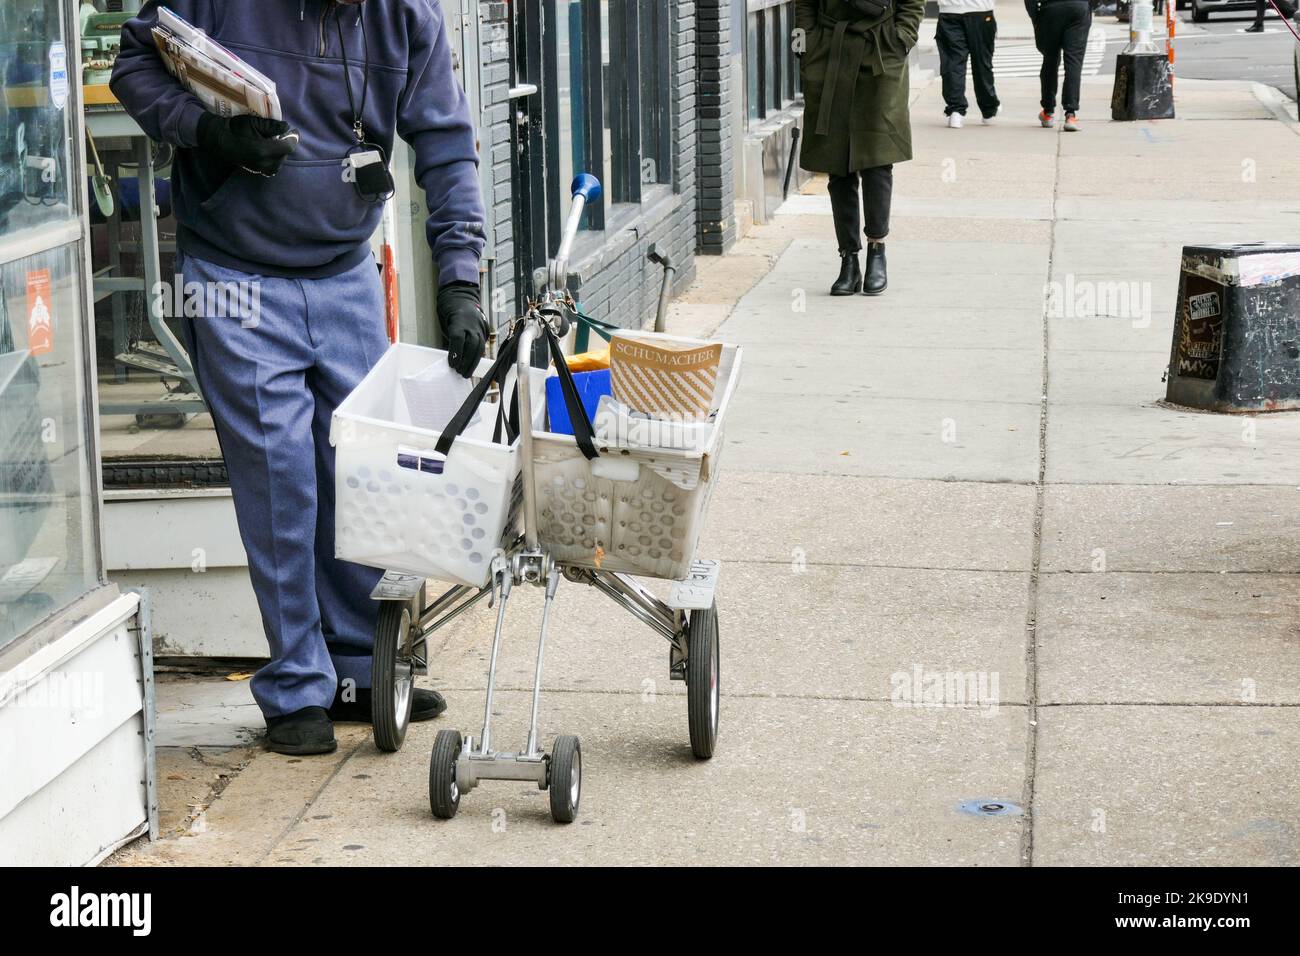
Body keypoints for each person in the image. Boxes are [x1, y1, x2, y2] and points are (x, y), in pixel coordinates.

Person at [111, 0, 489, 756]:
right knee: (280, 477)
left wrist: (460, 281)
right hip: (233, 273)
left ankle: (358, 669)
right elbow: (134, 65)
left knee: (361, 473)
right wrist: (206, 130)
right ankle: (294, 687)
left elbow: (447, 147)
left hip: (346, 269)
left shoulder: (407, 18)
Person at [796, 0, 925, 297]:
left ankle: (877, 250)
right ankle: (848, 259)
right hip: (829, 54)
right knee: (836, 161)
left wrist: (903, 37)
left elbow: (914, 3)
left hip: (881, 53)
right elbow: (803, 4)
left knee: (878, 158)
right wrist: (805, 48)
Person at [1026, 0, 1091, 132]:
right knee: (1074, 61)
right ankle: (1071, 114)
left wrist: (1036, 15)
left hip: (1050, 9)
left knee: (1050, 60)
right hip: (1078, 8)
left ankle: (1048, 111)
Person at [936, 0, 1000, 129]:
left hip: (949, 11)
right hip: (980, 10)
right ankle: (988, 110)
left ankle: (955, 111)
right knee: (982, 62)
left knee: (953, 62)